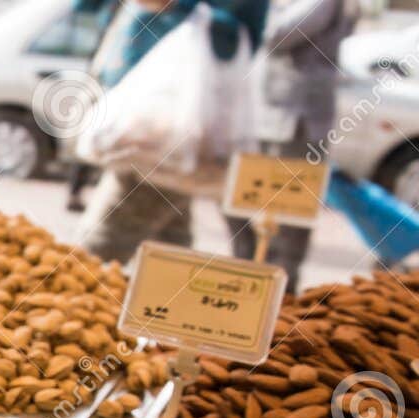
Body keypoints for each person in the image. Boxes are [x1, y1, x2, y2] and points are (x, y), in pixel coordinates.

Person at [74, 0, 270, 264]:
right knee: (168, 247)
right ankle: (168, 296)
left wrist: (175, 6)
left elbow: (229, 33)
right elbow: (85, 7)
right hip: (158, 135)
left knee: (97, 251)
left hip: (162, 139)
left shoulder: (210, 21)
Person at [229, 0, 359, 292]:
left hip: (297, 121)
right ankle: (246, 279)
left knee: (288, 216)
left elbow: (277, 33)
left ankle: (278, 292)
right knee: (239, 200)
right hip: (266, 114)